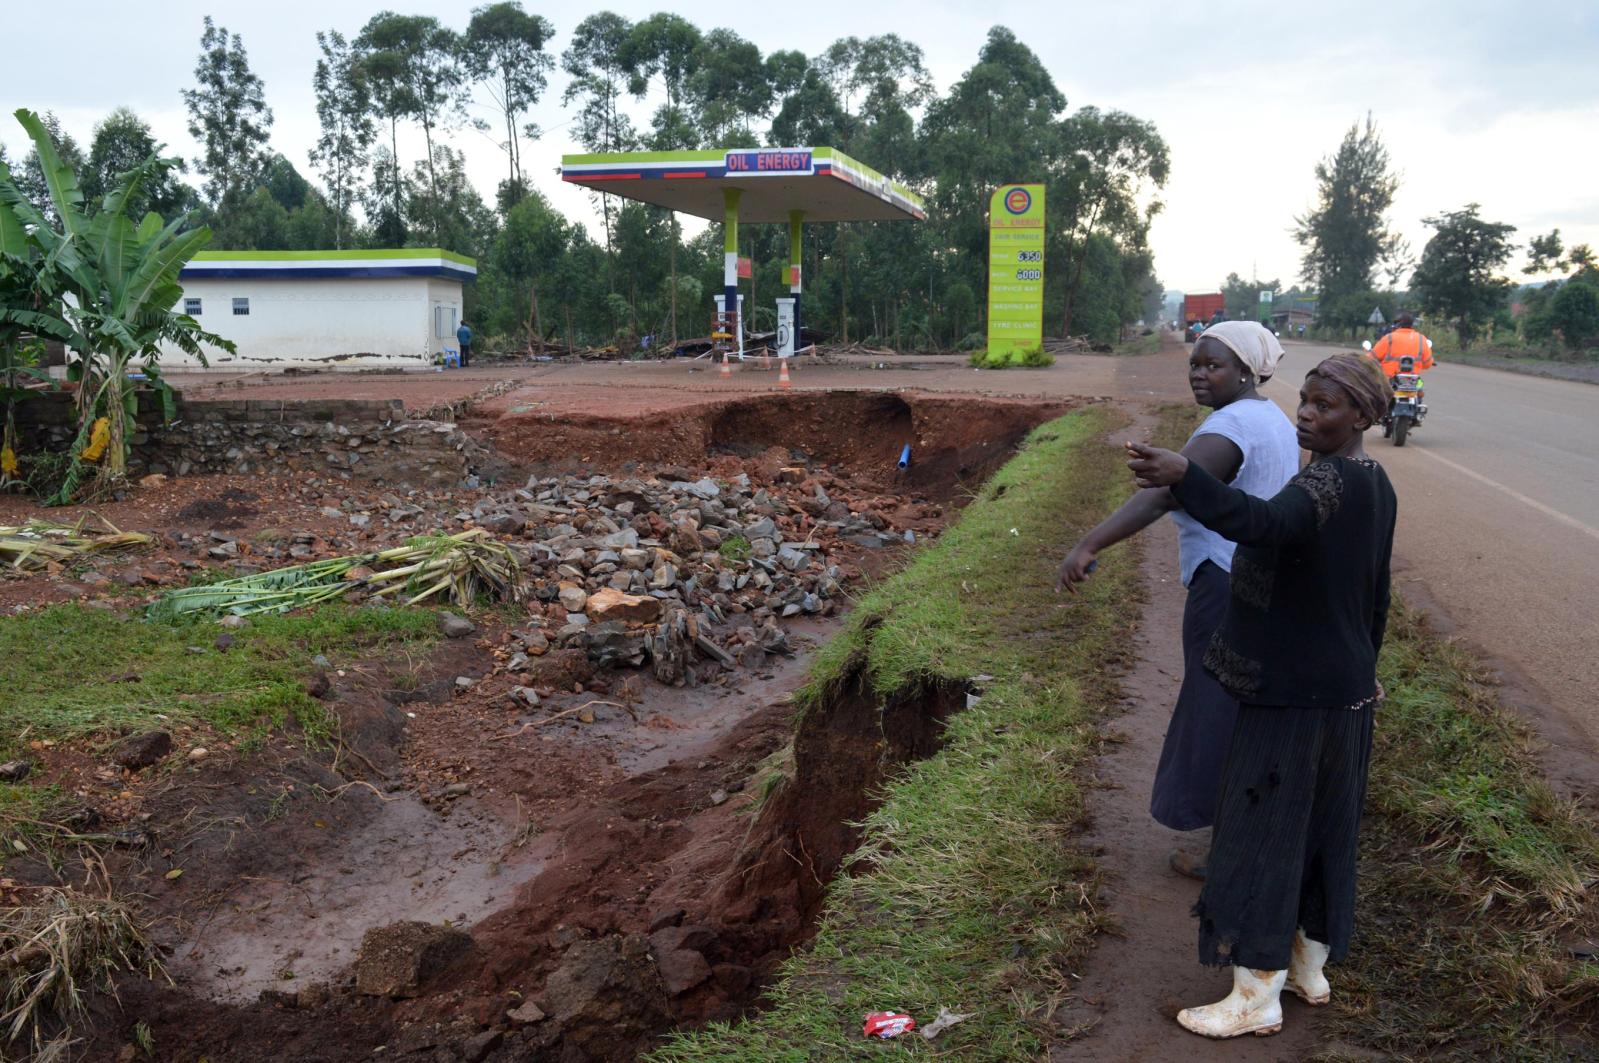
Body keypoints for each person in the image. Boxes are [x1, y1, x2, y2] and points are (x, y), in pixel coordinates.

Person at [1122, 353, 1397, 1040]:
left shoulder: (1328, 483)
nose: (1306, 412)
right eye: (1304, 399)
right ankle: (1307, 967)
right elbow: (1373, 591)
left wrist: (1187, 475)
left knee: (1263, 833)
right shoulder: (1373, 481)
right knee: (1317, 833)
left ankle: (1253, 996)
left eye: (1325, 404)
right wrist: (1368, 666)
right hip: (1343, 692)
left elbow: (1260, 523)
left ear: (1360, 416)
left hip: (1293, 695)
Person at [1059, 321, 1299, 878]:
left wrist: (1089, 543)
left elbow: (1167, 495)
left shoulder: (1234, 424)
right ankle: (1246, 835)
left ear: (1246, 370)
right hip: (1256, 579)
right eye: (1195, 363)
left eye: (1213, 365)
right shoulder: (1269, 418)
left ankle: (1227, 849)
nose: (1198, 373)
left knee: (1215, 708)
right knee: (1237, 706)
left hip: (1225, 582)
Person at [1366, 312, 1432, 379]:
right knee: (1420, 386)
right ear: (1412, 325)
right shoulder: (1421, 339)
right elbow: (1427, 364)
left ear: (1398, 325)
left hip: (1389, 380)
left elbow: (1371, 358)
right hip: (1413, 381)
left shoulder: (1389, 338)